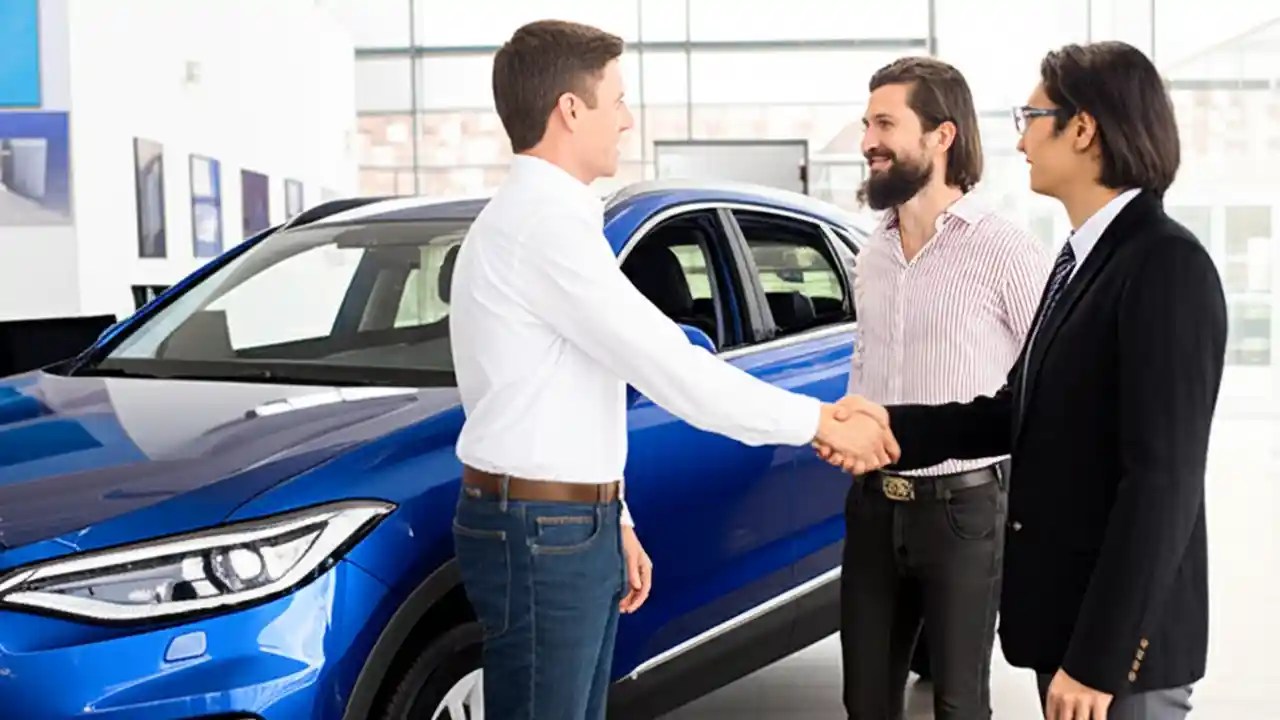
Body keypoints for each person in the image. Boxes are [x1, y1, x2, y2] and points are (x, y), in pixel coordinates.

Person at [447, 19, 899, 720]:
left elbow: (571, 391)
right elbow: (669, 367)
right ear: (570, 109)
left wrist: (613, 515)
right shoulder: (543, 227)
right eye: (617, 100)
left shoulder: (548, 221)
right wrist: (820, 420)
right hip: (544, 530)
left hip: (563, 521)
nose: (627, 121)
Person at [824, 41, 1226, 720]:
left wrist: (1098, 660)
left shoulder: (1164, 267)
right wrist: (890, 426)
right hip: (1071, 629)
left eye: (1032, 115)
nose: (1018, 140)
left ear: (1083, 128)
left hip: (1120, 655)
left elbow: (1163, 485)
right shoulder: (1079, 263)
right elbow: (1016, 411)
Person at [840, 57, 1049, 720]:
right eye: (866, 122)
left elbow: (1053, 381)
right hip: (872, 509)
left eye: (884, 122)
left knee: (960, 704)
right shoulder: (870, 252)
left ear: (941, 136)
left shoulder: (1005, 250)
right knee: (865, 702)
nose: (867, 138)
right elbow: (867, 359)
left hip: (963, 514)